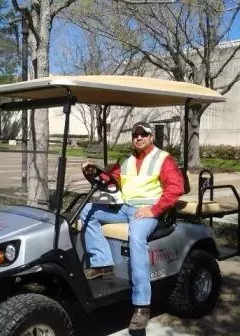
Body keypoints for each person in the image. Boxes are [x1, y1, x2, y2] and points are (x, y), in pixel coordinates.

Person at [80, 121, 184, 330]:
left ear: (150, 137)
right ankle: (103, 264)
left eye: (143, 134)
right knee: (86, 212)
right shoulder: (127, 161)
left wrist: (153, 210)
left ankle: (142, 305)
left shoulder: (163, 159)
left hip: (149, 210)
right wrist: (91, 171)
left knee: (136, 238)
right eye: (135, 135)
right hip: (125, 207)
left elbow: (175, 188)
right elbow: (110, 180)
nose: (138, 138)